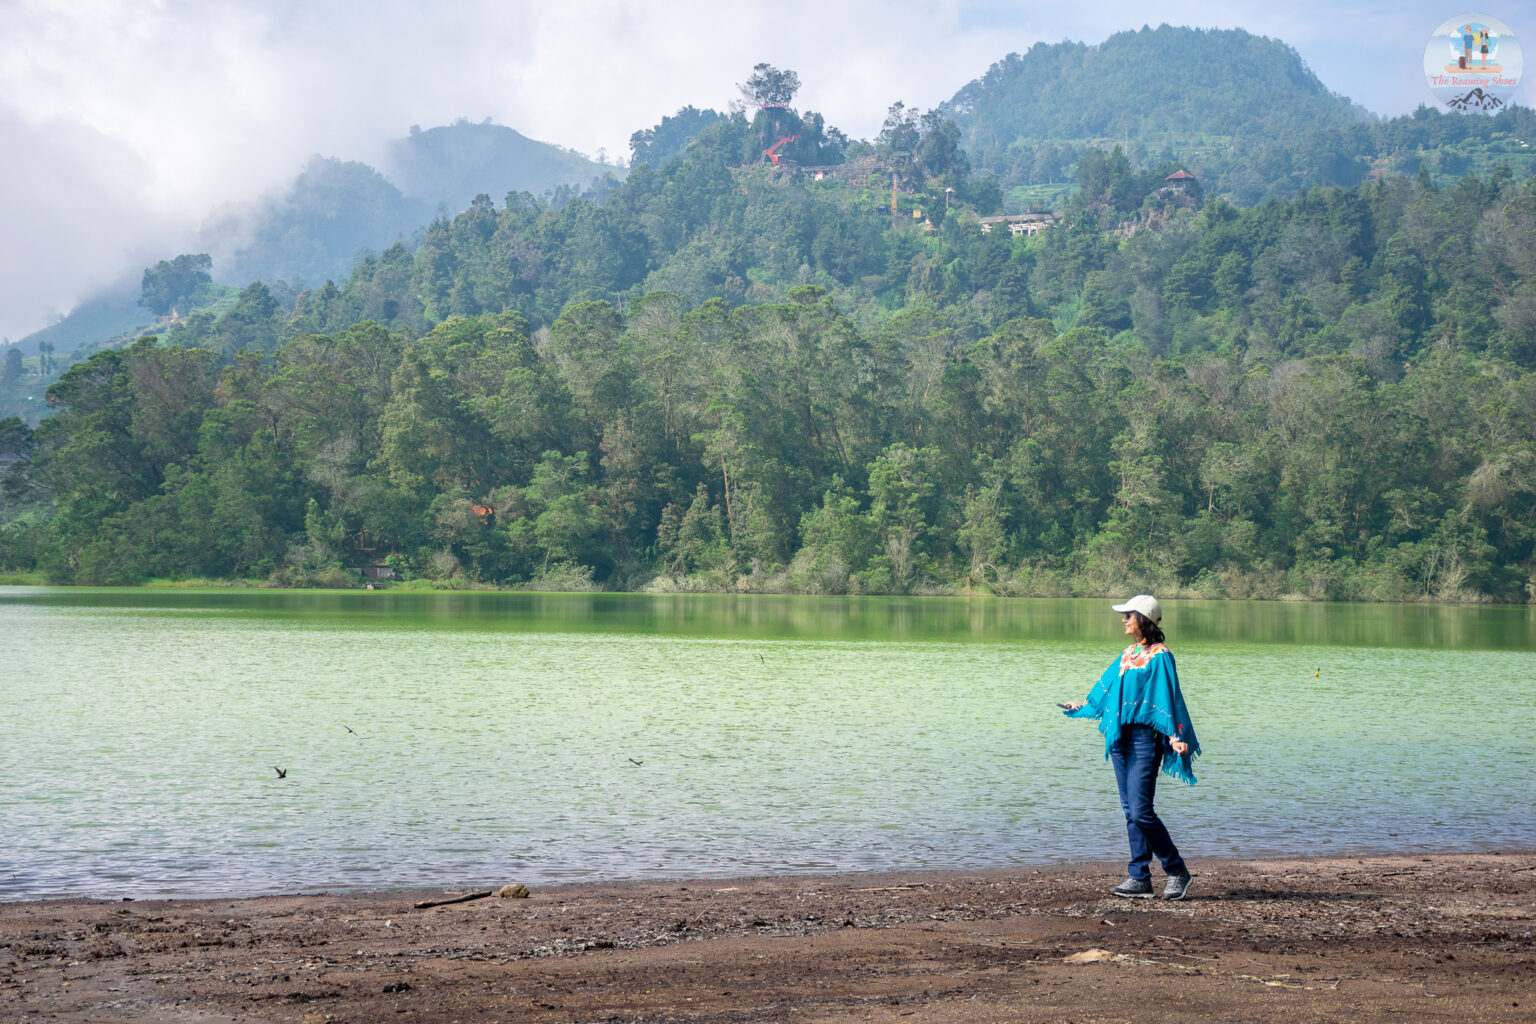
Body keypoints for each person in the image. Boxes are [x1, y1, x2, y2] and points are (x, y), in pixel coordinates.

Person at [1062, 594, 1200, 900]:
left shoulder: (1160, 656)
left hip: (1144, 739)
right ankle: (1139, 877)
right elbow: (1107, 689)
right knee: (1130, 811)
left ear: (1144, 619)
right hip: (1120, 737)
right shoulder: (1129, 653)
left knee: (1141, 811)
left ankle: (1177, 871)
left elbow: (1169, 697)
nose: (1124, 620)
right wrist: (1083, 703)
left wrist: (1175, 737)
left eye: (1129, 615)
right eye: (1124, 615)